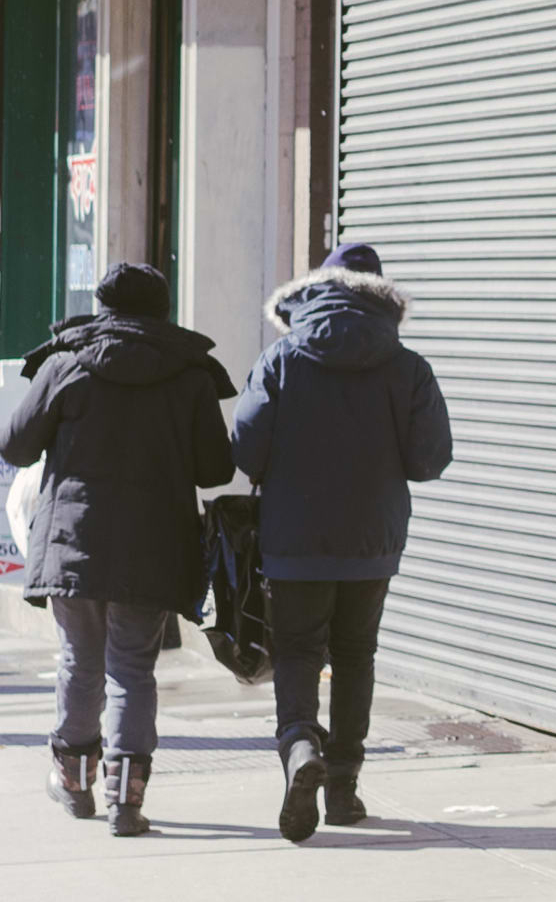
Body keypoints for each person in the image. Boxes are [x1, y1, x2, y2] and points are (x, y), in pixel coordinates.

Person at [232, 239, 452, 843]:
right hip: (371, 540)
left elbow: (246, 450)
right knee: (356, 655)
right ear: (382, 299)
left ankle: (301, 744)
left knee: (299, 650)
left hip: (293, 538)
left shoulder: (280, 359)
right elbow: (432, 458)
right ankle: (345, 788)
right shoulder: (407, 366)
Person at [7, 263, 231, 838]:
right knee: (132, 668)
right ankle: (124, 799)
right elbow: (215, 469)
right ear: (162, 310)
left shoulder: (65, 363)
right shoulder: (190, 375)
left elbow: (14, 442)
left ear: (103, 306)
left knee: (80, 660)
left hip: (72, 541)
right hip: (153, 546)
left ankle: (74, 783)